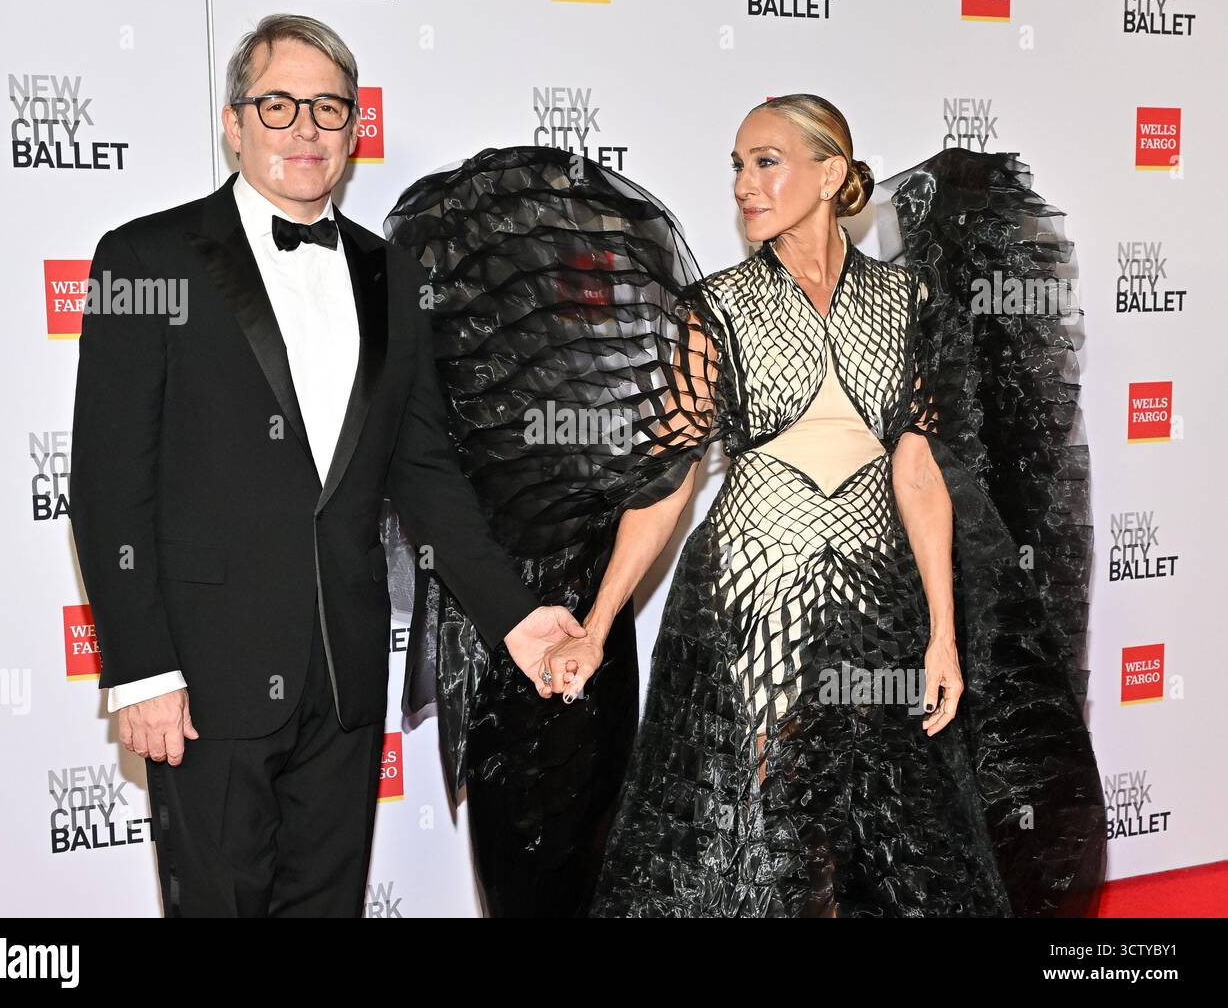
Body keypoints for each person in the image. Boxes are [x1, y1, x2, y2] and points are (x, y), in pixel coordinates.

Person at [392, 94, 1106, 917]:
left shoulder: (910, 301)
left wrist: (944, 637)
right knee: (756, 851)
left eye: (765, 161)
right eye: (737, 165)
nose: (743, 184)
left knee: (908, 846)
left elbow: (918, 473)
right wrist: (597, 619)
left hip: (883, 603)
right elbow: (666, 486)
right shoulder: (715, 307)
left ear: (830, 172)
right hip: (751, 601)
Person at [69, 13, 584, 918]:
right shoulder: (144, 258)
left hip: (345, 678)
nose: (306, 128)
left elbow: (423, 471)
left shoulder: (394, 278)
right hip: (203, 679)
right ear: (234, 123)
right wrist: (143, 672)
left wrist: (515, 619)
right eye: (279, 105)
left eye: (329, 108)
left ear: (354, 129)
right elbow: (109, 486)